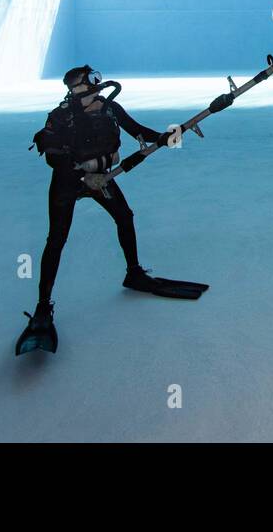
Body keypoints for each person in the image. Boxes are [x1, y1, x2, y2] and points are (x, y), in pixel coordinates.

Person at [16, 66, 208, 355]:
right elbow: (52, 158)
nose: (99, 84)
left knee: (124, 217)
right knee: (56, 239)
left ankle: (134, 273)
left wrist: (167, 137)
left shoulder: (109, 108)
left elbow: (137, 130)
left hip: (102, 179)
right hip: (68, 182)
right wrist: (82, 173)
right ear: (79, 88)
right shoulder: (60, 117)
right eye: (93, 79)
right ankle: (43, 307)